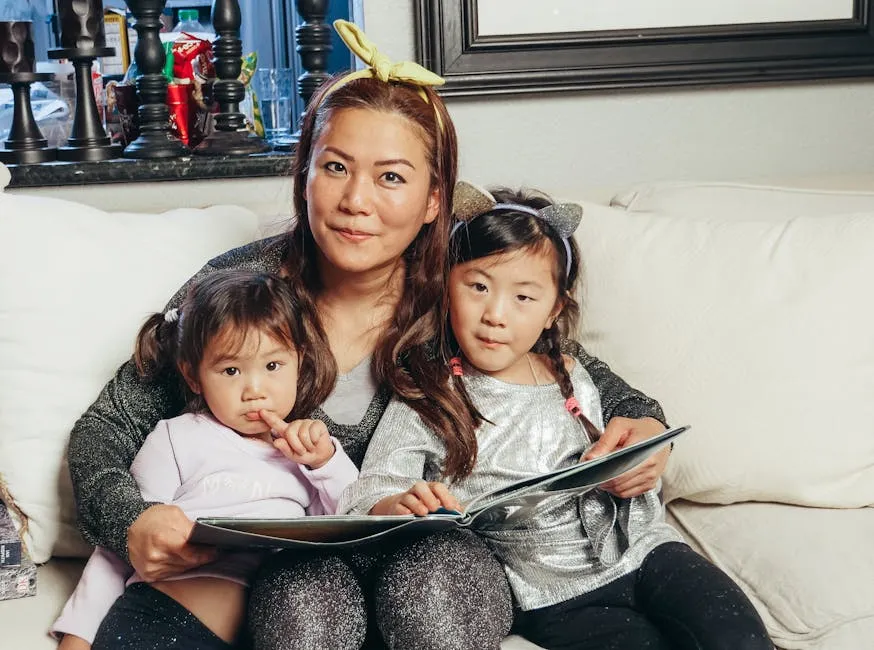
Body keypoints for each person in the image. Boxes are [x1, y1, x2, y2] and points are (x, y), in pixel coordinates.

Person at [67, 19, 670, 650]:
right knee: (303, 596)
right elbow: (104, 430)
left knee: (432, 582)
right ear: (303, 175)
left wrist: (644, 428)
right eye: (335, 167)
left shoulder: (466, 295)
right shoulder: (241, 289)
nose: (356, 200)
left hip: (438, 561)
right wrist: (131, 520)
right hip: (294, 570)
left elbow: (586, 380)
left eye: (391, 177)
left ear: (435, 198)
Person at [339, 184, 774, 650]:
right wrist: (398, 505)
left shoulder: (573, 371)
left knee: (739, 636)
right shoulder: (428, 395)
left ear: (554, 312)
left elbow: (640, 424)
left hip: (649, 552)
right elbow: (376, 485)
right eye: (479, 287)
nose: (495, 315)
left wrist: (640, 455)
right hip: (554, 593)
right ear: (447, 291)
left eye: (524, 297)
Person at [54, 270, 359, 650]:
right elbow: (126, 545)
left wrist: (325, 464)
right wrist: (77, 638)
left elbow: (353, 527)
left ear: (299, 360)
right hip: (158, 622)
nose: (254, 390)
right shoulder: (177, 438)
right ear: (194, 376)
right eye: (231, 371)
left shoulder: (312, 452)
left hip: (271, 630)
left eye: (273, 366)